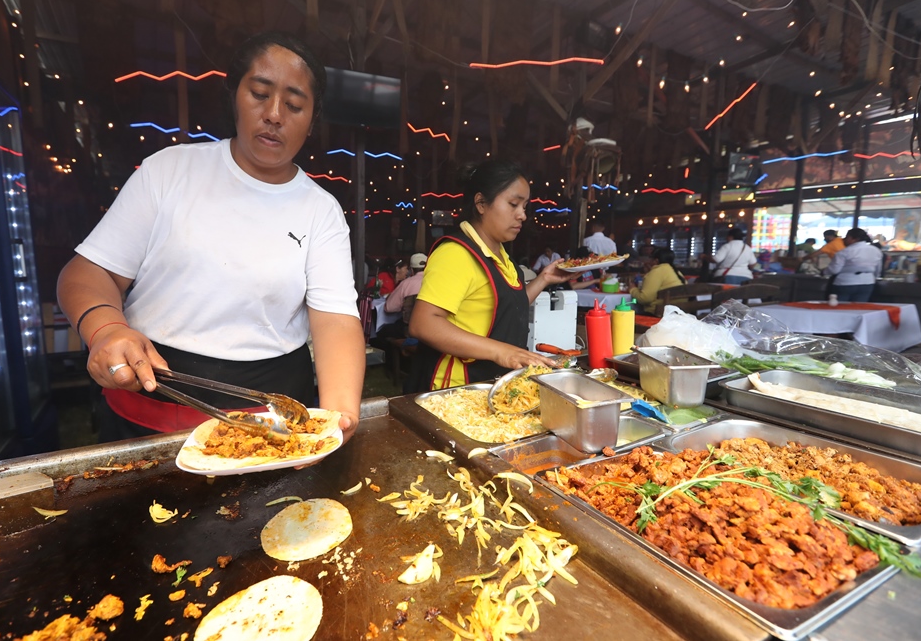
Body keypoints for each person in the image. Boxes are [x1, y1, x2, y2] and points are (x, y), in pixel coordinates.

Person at [57, 31, 365, 443]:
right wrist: (106, 330)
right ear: (233, 96)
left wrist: (338, 417)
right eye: (259, 94)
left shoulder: (320, 209)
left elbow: (335, 321)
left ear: (312, 120)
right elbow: (87, 274)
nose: (274, 114)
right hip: (148, 411)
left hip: (269, 426)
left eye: (294, 105)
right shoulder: (169, 171)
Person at [407, 160, 576, 391]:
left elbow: (507, 307)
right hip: (455, 390)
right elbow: (423, 323)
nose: (522, 216)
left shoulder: (501, 254)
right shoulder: (456, 253)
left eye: (524, 207)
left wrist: (544, 278)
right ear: (481, 203)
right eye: (513, 204)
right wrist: (501, 351)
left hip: (491, 384)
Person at [827, 228, 883, 302]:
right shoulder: (876, 250)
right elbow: (878, 269)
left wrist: (824, 272)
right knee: (858, 308)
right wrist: (874, 277)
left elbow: (834, 270)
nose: (844, 240)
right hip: (867, 282)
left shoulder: (844, 252)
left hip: (845, 282)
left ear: (852, 238)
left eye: (846, 237)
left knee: (840, 308)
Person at [629, 248, 686, 316]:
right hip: (677, 313)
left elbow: (645, 298)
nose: (649, 261)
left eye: (650, 259)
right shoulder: (676, 271)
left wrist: (632, 289)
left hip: (658, 314)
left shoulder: (657, 271)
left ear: (656, 261)